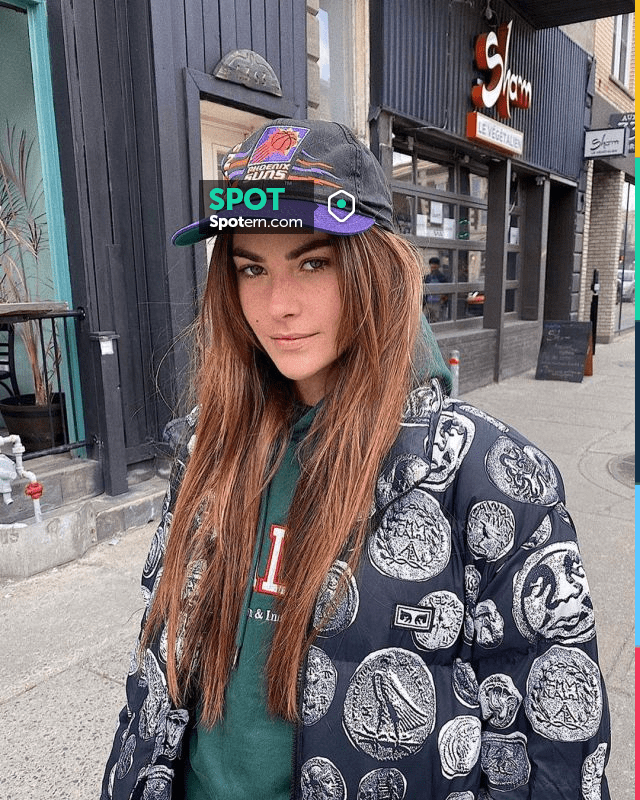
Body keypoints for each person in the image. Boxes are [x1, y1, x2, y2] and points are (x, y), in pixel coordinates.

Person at [101, 119, 610, 800]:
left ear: (373, 269)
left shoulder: (488, 478)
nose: (279, 305)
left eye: (314, 262)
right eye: (252, 267)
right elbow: (154, 688)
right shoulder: (206, 450)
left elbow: (556, 746)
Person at [423, 256, 448, 322]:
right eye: (432, 265)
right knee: (424, 321)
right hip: (428, 303)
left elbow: (446, 291)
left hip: (437, 304)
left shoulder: (442, 278)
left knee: (436, 321)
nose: (433, 267)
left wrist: (442, 300)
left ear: (438, 266)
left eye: (434, 265)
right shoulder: (427, 277)